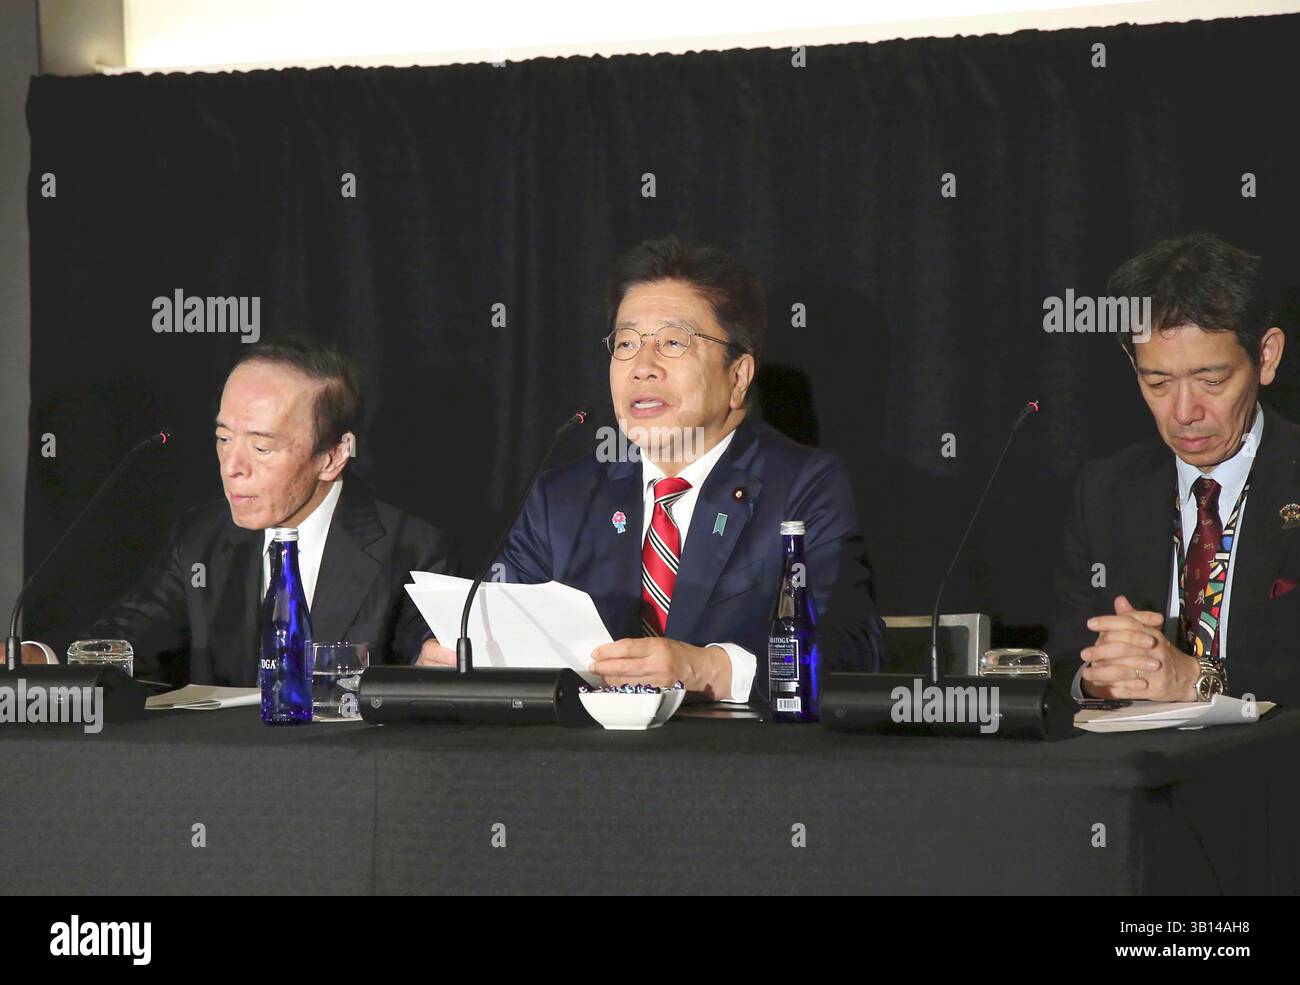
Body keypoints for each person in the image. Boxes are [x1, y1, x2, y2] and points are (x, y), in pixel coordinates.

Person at [423, 235, 885, 704]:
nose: (642, 366)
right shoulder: (562, 499)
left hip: (739, 766)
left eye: (672, 342)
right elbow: (494, 624)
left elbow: (851, 651)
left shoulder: (804, 486)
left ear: (738, 376)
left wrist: (707, 668)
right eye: (625, 343)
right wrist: (464, 656)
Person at [19, 340, 456, 685]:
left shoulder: (412, 549)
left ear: (333, 456)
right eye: (224, 439)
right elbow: (132, 634)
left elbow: (427, 654)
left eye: (262, 447)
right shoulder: (201, 537)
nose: (232, 468)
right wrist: (42, 657)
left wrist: (431, 667)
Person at [1051, 231, 1300, 705]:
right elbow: (1064, 658)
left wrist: (1200, 680)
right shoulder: (1105, 491)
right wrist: (1098, 677)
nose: (1184, 412)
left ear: (1266, 357)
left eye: (1211, 379)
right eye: (1158, 381)